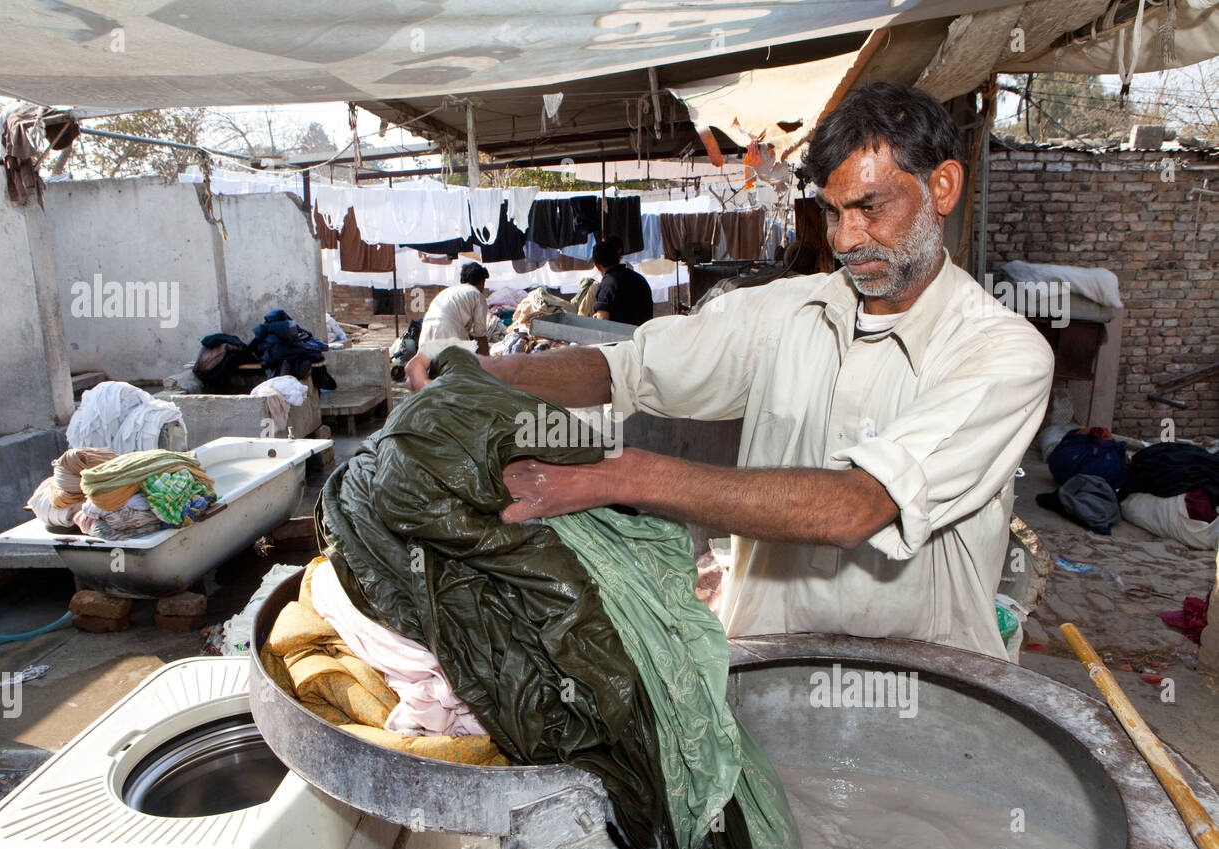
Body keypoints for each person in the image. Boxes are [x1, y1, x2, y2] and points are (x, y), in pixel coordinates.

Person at [406, 82, 1054, 659]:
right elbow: (624, 368)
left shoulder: (1001, 353)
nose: (847, 238)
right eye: (832, 211)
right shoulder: (783, 313)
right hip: (764, 665)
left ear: (942, 187)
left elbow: (862, 505)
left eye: (870, 206)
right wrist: (473, 370)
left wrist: (621, 476)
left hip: (931, 693)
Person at [418, 261, 491, 356]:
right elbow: (480, 335)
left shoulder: (448, 291)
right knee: (455, 367)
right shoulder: (477, 295)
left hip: (427, 328)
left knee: (430, 367)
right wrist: (488, 362)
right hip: (448, 330)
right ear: (482, 282)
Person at [590, 235, 654, 325]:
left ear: (597, 266)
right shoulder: (639, 279)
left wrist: (597, 318)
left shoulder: (607, 285)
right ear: (619, 258)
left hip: (620, 338)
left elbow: (602, 323)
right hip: (643, 336)